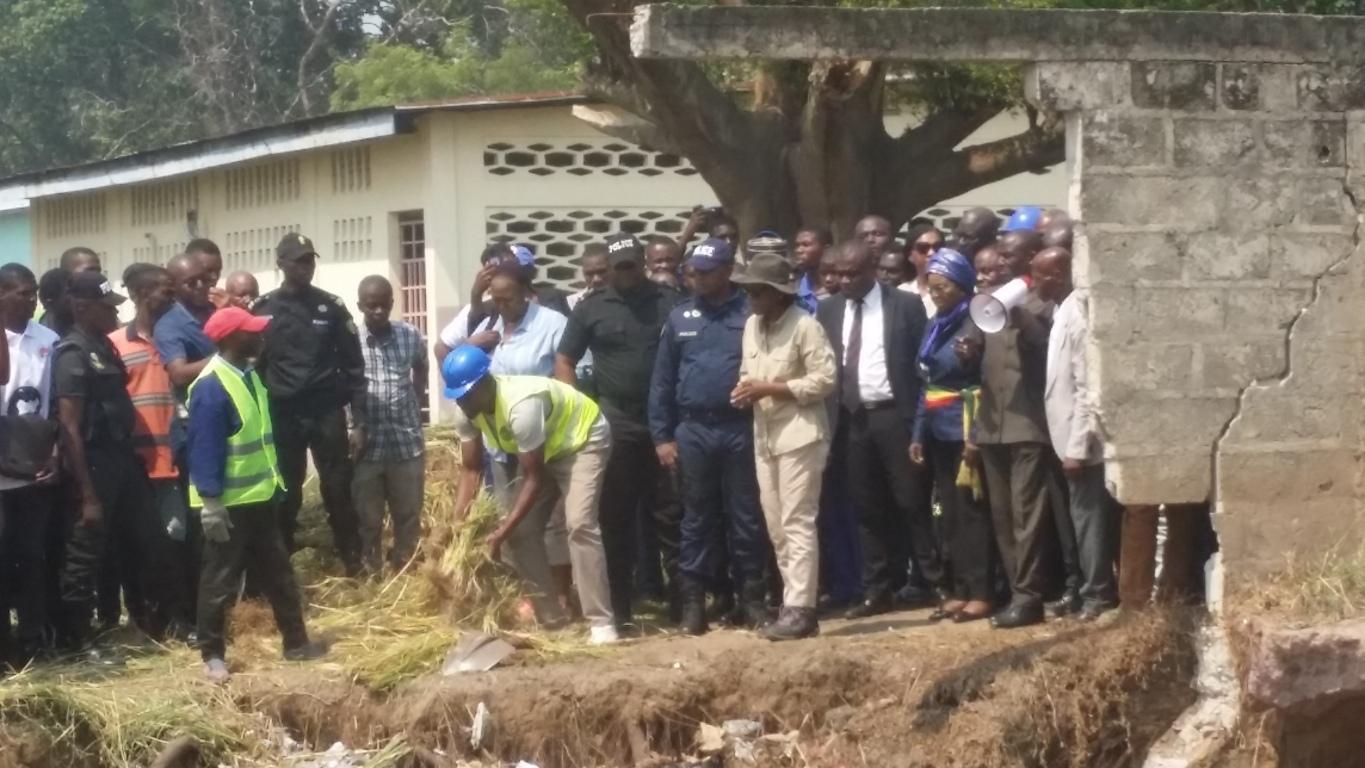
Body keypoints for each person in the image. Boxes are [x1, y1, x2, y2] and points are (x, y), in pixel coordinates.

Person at [443, 344, 619, 645]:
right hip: (545, 450)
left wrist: (499, 534)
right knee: (521, 533)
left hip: (582, 440)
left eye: (466, 394)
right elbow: (471, 471)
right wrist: (455, 527)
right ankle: (554, 622)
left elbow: (534, 479)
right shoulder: (466, 412)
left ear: (486, 383)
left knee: (579, 524)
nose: (462, 402)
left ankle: (601, 624)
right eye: (457, 396)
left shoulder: (520, 406)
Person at [187, 307, 325, 682]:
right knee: (219, 581)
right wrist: (212, 503)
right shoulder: (211, 387)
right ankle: (213, 655)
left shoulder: (250, 377)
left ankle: (296, 643)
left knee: (279, 573)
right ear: (232, 339)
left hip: (260, 499)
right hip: (228, 506)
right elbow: (204, 449)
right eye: (252, 332)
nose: (260, 336)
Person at [555, 232, 681, 629]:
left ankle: (683, 607)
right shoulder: (592, 308)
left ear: (642, 262)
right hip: (616, 423)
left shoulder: (670, 302)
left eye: (631, 264)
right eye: (618, 266)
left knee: (672, 516)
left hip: (666, 422)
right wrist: (577, 408)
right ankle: (622, 610)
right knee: (616, 520)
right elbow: (565, 359)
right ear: (608, 269)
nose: (625, 272)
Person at [648, 239, 766, 635]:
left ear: (728, 270)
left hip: (741, 427)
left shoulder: (751, 312)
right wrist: (662, 436)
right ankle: (694, 606)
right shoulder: (680, 317)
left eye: (706, 271)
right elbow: (663, 381)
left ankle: (751, 600)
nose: (696, 278)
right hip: (694, 430)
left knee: (746, 518)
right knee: (695, 520)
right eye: (692, 272)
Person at [817, 240, 939, 618]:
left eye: (853, 273)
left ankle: (934, 583)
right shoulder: (828, 308)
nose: (845, 280)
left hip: (894, 416)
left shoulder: (904, 305)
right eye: (839, 273)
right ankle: (877, 591)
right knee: (866, 507)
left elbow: (923, 367)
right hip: (852, 418)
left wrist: (919, 425)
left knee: (912, 501)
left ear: (872, 268)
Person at [53, 272, 173, 650]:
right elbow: (69, 426)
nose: (112, 314)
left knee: (146, 542)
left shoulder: (105, 347)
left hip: (123, 460)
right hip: (94, 464)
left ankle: (149, 625)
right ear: (81, 307)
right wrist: (87, 492)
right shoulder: (72, 354)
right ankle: (78, 641)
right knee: (85, 555)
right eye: (106, 308)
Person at [731, 252, 836, 640]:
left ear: (778, 294)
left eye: (757, 292)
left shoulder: (805, 326)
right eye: (747, 291)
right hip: (765, 435)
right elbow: (748, 372)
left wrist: (772, 389)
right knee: (776, 525)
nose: (751, 299)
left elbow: (825, 380)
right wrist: (746, 391)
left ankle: (802, 608)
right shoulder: (750, 327)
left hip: (800, 433)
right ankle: (791, 604)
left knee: (797, 520)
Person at [253, 233, 366, 574]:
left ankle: (351, 561)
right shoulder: (262, 310)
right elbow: (256, 368)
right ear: (282, 264)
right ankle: (283, 565)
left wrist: (358, 422)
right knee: (287, 490)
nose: (306, 267)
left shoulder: (330, 307)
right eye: (299, 261)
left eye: (310, 260)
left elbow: (354, 367)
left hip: (324, 411)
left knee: (337, 487)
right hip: (283, 413)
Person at [475, 267, 575, 624]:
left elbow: (569, 371)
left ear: (527, 294)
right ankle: (534, 599)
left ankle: (562, 596)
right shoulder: (492, 326)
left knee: (550, 525)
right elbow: (466, 370)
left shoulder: (551, 324)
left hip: (544, 438)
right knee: (515, 525)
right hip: (503, 443)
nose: (502, 307)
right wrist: (476, 344)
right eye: (496, 300)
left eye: (508, 299)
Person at [908, 250, 996, 623]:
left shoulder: (975, 322)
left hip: (964, 426)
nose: (936, 292)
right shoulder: (936, 322)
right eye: (931, 286)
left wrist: (975, 437)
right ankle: (959, 588)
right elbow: (926, 382)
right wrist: (916, 434)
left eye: (942, 287)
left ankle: (982, 591)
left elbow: (984, 383)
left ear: (961, 286)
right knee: (948, 514)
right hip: (936, 426)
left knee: (971, 511)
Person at [108, 264, 193, 637]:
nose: (171, 296)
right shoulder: (115, 344)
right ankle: (144, 622)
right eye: (163, 290)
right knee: (138, 550)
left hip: (172, 461)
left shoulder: (175, 339)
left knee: (176, 544)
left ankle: (178, 620)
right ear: (142, 295)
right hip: (135, 466)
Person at [972, 259, 1056, 630]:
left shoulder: (1043, 307)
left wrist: (1026, 322)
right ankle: (1015, 592)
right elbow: (972, 359)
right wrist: (966, 351)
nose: (992, 270)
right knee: (1003, 516)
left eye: (1004, 260)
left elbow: (1048, 357)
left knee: (1027, 514)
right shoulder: (986, 304)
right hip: (991, 427)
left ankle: (1029, 596)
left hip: (1027, 426)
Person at [1037, 248, 1117, 622]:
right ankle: (1086, 589)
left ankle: (1098, 595)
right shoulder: (1061, 309)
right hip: (1063, 439)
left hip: (1081, 447)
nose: (1033, 282)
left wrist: (1077, 448)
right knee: (1079, 522)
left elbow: (1087, 388)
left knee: (1090, 523)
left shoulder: (1078, 314)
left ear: (1059, 273)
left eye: (1040, 275)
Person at [353, 276, 428, 576]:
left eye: (384, 305)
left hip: (405, 441)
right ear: (361, 306)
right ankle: (371, 572)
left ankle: (405, 567)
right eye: (372, 306)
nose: (379, 312)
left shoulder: (409, 334)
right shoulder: (350, 341)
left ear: (392, 304)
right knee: (368, 517)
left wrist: (417, 394)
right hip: (367, 446)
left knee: (408, 513)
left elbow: (421, 364)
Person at [0, 264, 55, 664]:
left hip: (32, 468)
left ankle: (34, 641)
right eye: (21, 292)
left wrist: (54, 454)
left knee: (32, 557)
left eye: (33, 291)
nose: (30, 299)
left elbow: (53, 406)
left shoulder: (48, 340)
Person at [566, 245, 609, 394]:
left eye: (602, 272)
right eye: (589, 274)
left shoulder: (626, 303)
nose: (596, 279)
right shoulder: (570, 304)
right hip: (582, 384)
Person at [902, 223, 945, 318]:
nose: (931, 253)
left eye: (937, 247)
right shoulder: (902, 291)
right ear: (910, 255)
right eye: (923, 248)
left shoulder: (956, 291)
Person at [793, 227, 832, 309]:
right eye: (797, 245)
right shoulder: (794, 289)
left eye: (806, 245)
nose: (798, 250)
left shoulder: (839, 289)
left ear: (826, 249)